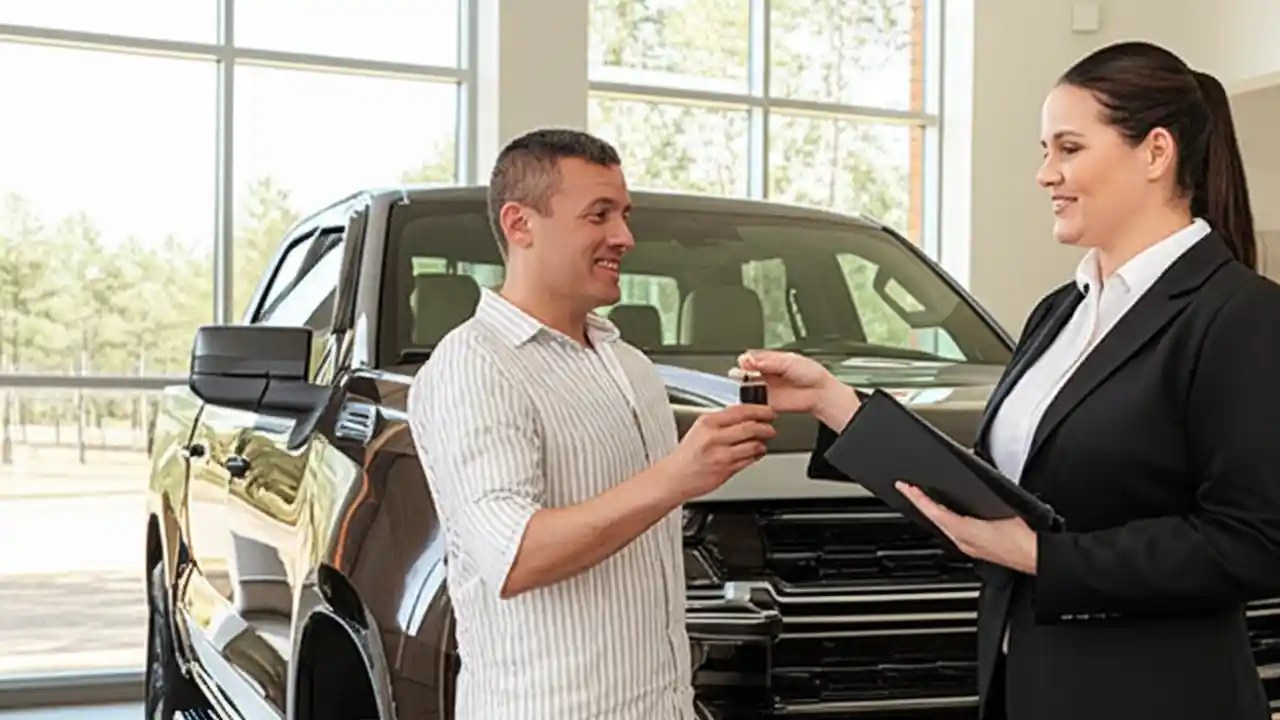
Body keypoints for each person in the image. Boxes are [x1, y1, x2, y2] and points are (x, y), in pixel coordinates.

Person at [739, 40, 1280, 720]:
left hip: (1157, 694)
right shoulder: (1060, 313)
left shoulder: (1242, 316)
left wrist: (1044, 557)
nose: (1044, 174)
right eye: (1043, 150)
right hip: (1027, 683)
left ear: (1155, 152)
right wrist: (837, 405)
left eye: (1068, 148)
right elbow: (985, 497)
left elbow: (1253, 542)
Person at [407, 128, 776, 719]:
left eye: (624, 215)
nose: (625, 237)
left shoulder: (629, 365)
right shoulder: (473, 368)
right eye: (598, 215)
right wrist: (678, 476)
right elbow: (516, 556)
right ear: (519, 224)